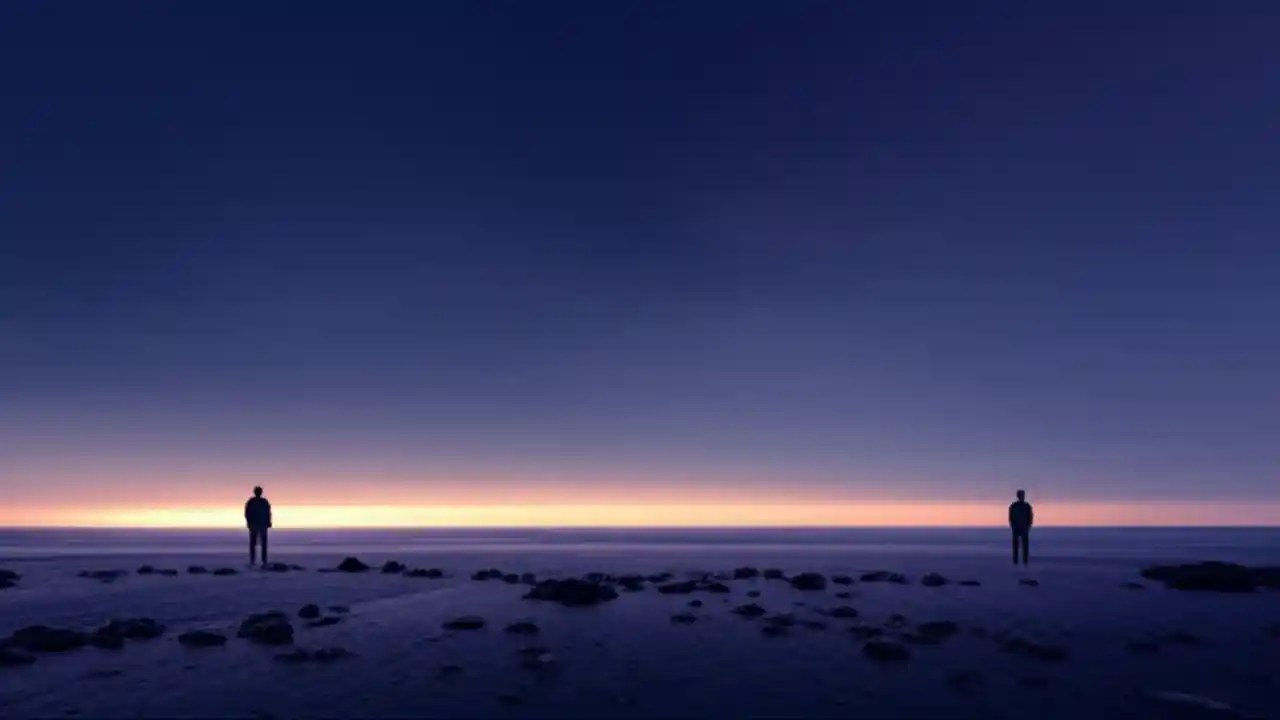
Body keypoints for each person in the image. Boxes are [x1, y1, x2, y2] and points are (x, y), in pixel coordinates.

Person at [245, 486, 272, 566]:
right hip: (257, 525)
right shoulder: (257, 502)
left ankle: (260, 560)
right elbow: (247, 513)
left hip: (259, 525)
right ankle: (256, 560)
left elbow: (268, 513)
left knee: (259, 543)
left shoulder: (256, 502)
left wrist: (268, 521)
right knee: (257, 543)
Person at [1008, 489, 1033, 565]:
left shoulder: (1027, 506)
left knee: (1025, 546)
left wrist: (1028, 525)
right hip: (1016, 528)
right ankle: (1015, 561)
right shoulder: (1014, 506)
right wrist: (1013, 525)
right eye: (1021, 495)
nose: (1022, 497)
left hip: (1024, 528)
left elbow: (1030, 517)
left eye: (1023, 495)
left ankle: (1025, 561)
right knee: (1016, 545)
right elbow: (1011, 517)